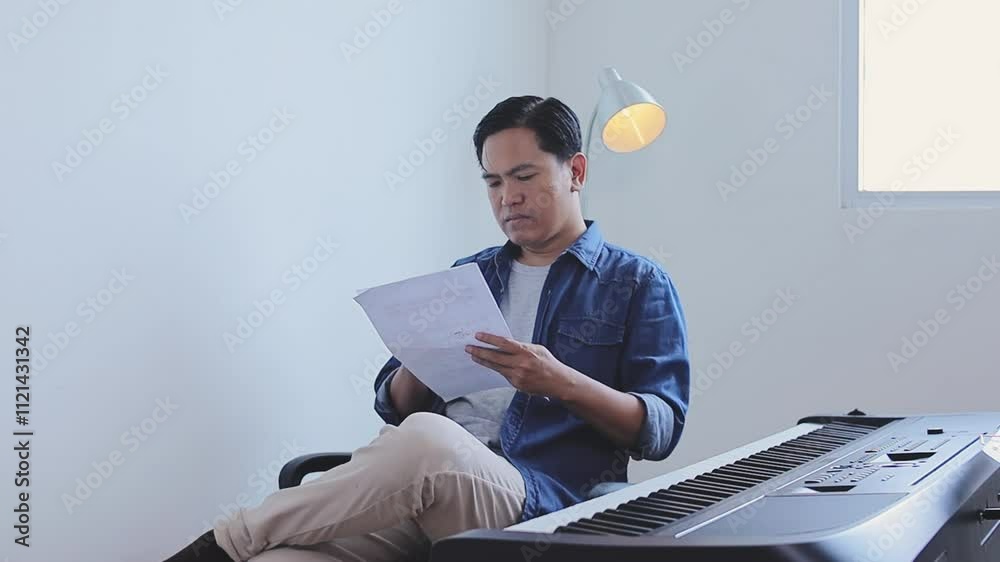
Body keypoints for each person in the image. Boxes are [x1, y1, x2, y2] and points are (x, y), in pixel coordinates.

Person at [163, 95, 690, 561]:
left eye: (524, 176)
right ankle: (246, 548)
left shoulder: (636, 282)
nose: (508, 196)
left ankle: (225, 541)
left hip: (539, 505)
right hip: (426, 491)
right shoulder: (472, 274)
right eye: (494, 181)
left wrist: (558, 381)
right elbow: (394, 404)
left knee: (425, 441)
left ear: (575, 171)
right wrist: (421, 361)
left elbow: (660, 429)